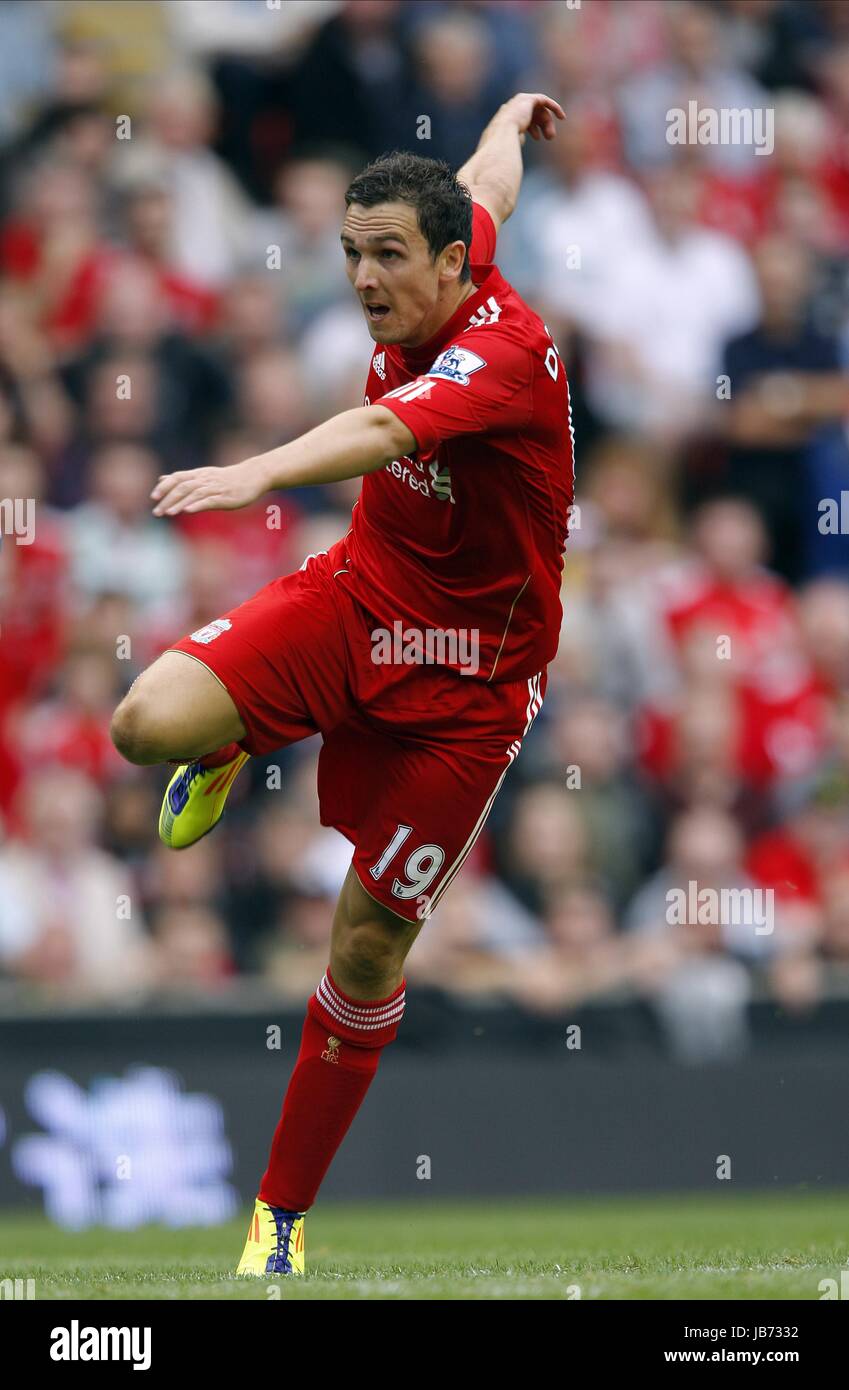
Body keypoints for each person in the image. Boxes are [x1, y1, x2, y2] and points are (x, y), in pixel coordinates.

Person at [110, 92, 573, 1276]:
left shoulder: (502, 357)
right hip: (358, 602)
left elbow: (377, 429)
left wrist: (249, 472)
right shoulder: (462, 230)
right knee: (142, 723)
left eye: (386, 257)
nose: (364, 280)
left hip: (471, 685)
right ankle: (230, 740)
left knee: (366, 949)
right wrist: (513, 120)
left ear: (452, 267)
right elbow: (490, 182)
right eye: (351, 255)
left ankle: (280, 1215)